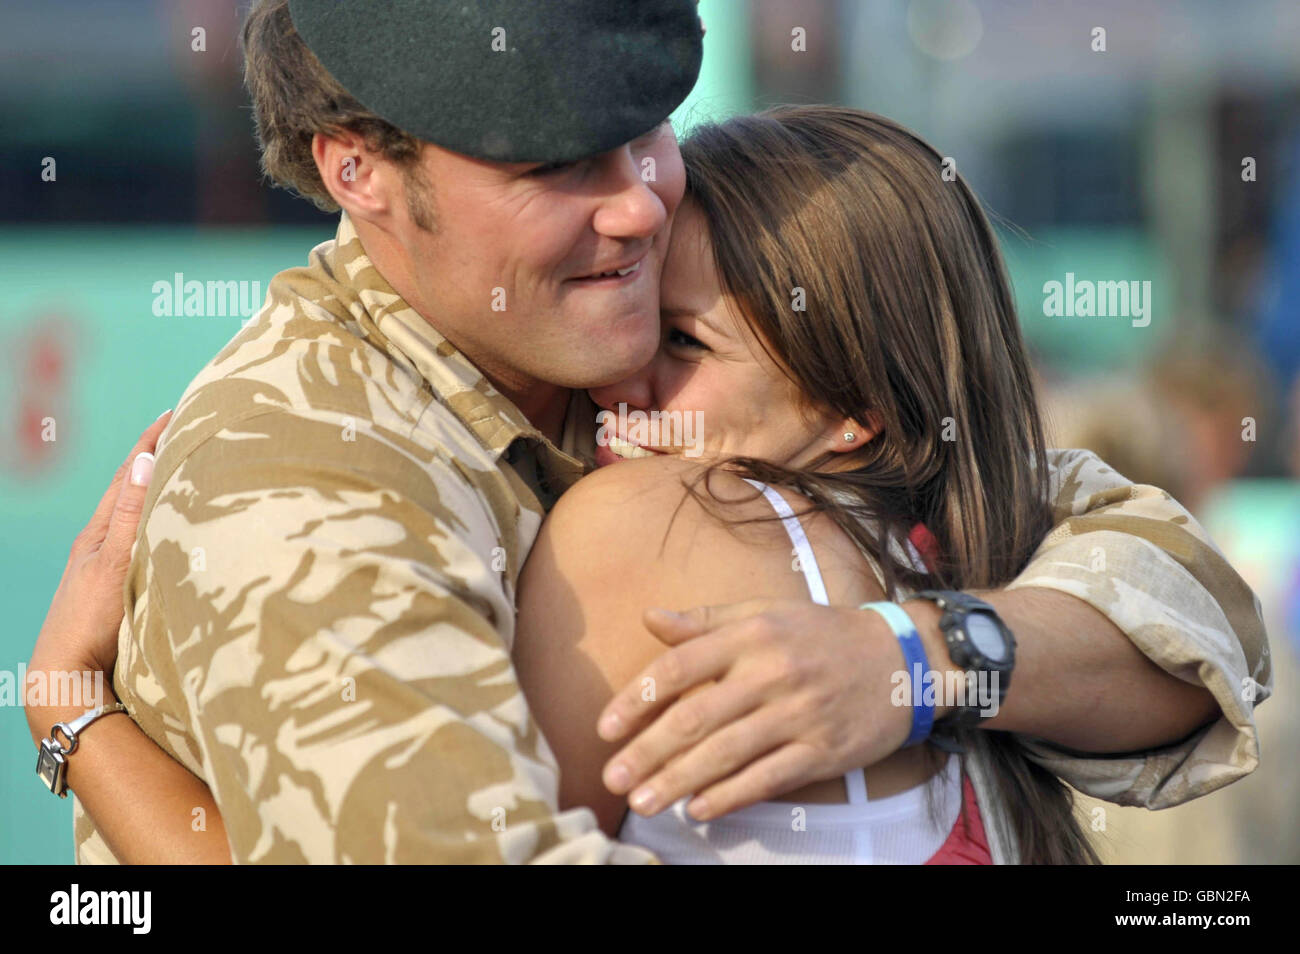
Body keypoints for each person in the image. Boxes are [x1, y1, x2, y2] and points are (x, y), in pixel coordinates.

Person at [27, 2, 1268, 864]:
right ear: (357, 170)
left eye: (649, 131)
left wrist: (908, 662)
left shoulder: (617, 350)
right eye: (557, 164)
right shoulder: (308, 470)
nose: (635, 204)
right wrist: (77, 727)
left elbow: (1179, 598)